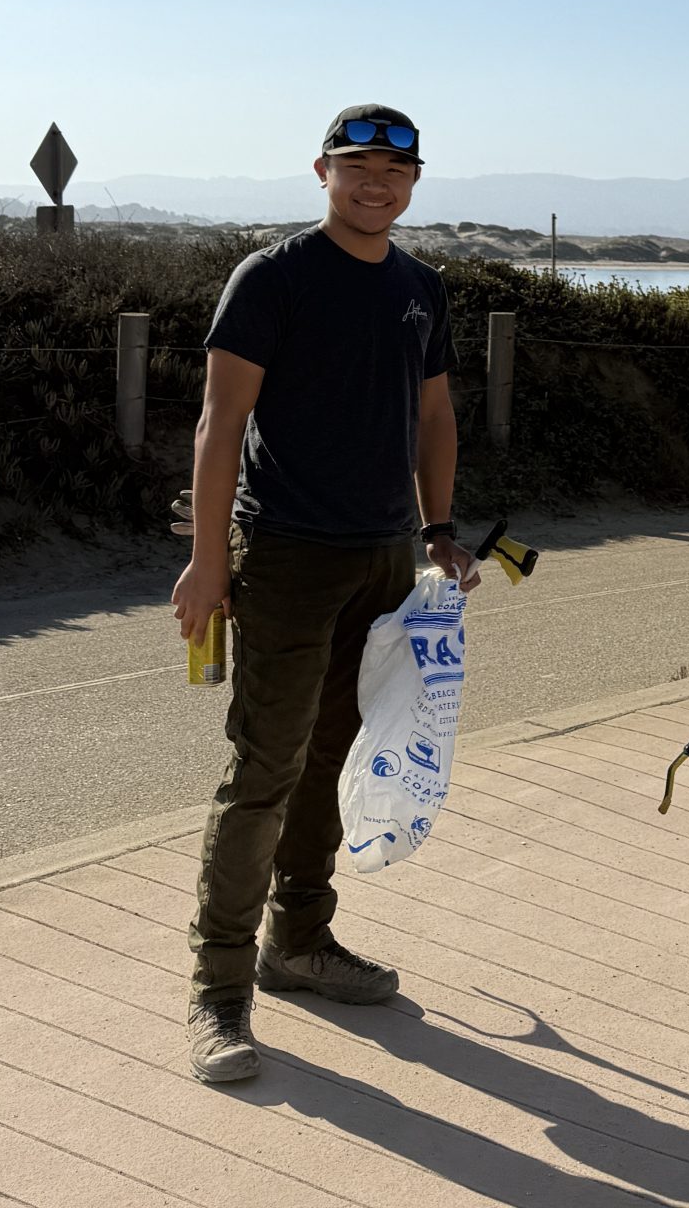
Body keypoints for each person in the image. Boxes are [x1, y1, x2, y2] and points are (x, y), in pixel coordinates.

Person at [173, 105, 478, 1082]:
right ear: (323, 171)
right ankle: (218, 994)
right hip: (287, 555)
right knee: (264, 766)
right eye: (357, 167)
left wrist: (437, 530)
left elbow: (434, 417)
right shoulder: (273, 277)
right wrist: (207, 563)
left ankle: (299, 942)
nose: (376, 183)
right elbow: (221, 425)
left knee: (336, 758)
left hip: (385, 559)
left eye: (396, 169)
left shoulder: (420, 288)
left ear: (416, 181)